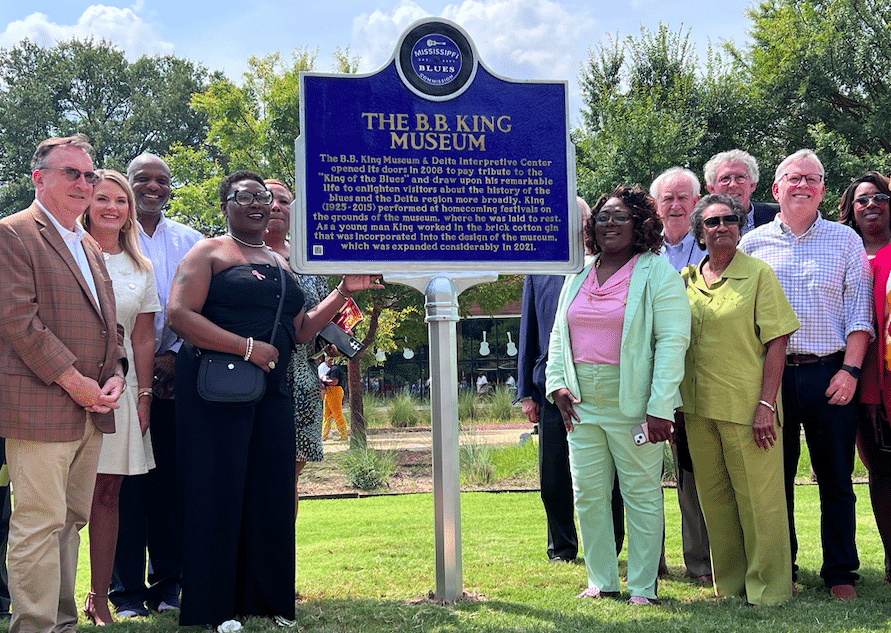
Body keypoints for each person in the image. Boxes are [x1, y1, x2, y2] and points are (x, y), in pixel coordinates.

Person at [168, 170, 379, 628]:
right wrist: (243, 347)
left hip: (272, 390)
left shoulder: (283, 263)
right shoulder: (209, 252)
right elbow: (179, 315)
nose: (259, 204)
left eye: (264, 197)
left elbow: (302, 331)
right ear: (225, 205)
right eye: (245, 197)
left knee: (271, 493)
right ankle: (214, 606)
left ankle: (268, 600)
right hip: (216, 388)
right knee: (217, 491)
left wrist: (343, 290)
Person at [0, 134, 127, 633]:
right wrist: (77, 383)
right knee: (37, 523)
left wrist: (116, 372)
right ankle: (33, 626)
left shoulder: (88, 243)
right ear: (39, 178)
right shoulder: (12, 234)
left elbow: (109, 323)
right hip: (40, 407)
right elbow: (19, 322)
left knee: (71, 521)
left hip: (92, 407)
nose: (83, 183)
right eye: (70, 172)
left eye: (89, 174)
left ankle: (62, 623)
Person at [546, 185, 690, 605]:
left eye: (619, 217)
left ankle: (643, 587)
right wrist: (557, 383)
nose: (608, 224)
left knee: (641, 494)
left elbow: (672, 341)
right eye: (602, 217)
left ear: (640, 224)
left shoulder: (656, 272)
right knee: (588, 494)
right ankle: (602, 581)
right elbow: (559, 334)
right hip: (581, 403)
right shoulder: (579, 271)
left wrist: (661, 406)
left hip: (635, 403)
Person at [740, 149, 873, 600]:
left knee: (836, 479)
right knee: (774, 482)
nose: (803, 184)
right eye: (793, 177)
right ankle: (784, 568)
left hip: (830, 374)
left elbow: (860, 314)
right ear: (776, 189)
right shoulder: (751, 243)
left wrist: (851, 370)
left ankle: (840, 574)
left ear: (821, 189)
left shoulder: (845, 241)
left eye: (812, 178)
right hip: (770, 381)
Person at [680, 193, 799, 605]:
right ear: (699, 232)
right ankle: (730, 586)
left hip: (750, 410)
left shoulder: (759, 274)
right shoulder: (686, 280)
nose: (722, 227)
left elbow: (778, 340)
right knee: (715, 503)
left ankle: (768, 590)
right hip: (697, 410)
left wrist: (767, 404)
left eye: (730, 219)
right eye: (712, 222)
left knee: (761, 506)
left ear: (741, 225)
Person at [111, 153, 202, 617]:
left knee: (169, 485)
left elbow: (204, 308)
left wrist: (173, 357)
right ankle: (124, 593)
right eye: (142, 179)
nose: (152, 186)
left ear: (170, 187)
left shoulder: (191, 241)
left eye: (161, 180)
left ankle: (168, 586)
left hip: (175, 379)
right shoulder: (103, 236)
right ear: (127, 184)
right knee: (124, 487)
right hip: (116, 380)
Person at [81, 169, 161, 624]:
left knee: (108, 492)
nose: (113, 208)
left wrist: (144, 396)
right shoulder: (70, 253)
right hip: (67, 387)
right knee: (65, 498)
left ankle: (97, 596)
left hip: (122, 390)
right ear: (87, 204)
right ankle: (51, 598)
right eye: (103, 199)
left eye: (121, 201)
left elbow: (144, 339)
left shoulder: (141, 268)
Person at [650, 167, 711, 582]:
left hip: (695, 381)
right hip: (644, 379)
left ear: (696, 202)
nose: (675, 206)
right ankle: (650, 563)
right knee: (643, 473)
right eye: (667, 199)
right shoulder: (639, 254)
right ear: (655, 207)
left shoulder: (712, 250)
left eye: (683, 198)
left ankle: (701, 563)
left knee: (693, 475)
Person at [838, 172, 891, 583]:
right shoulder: (844, 252)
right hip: (858, 381)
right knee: (880, 471)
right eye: (862, 200)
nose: (871, 204)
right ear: (850, 209)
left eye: (879, 196)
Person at [264, 179, 328, 513]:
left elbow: (315, 327)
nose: (276, 206)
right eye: (268, 198)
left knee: (288, 480)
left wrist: (332, 341)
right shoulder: (230, 257)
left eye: (284, 201)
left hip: (300, 384)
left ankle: (280, 556)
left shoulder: (310, 261)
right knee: (253, 478)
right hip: (248, 381)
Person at [704, 149, 778, 234]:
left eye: (740, 177)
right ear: (711, 188)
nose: (733, 184)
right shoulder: (700, 224)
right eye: (725, 178)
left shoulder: (777, 216)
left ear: (752, 185)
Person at [321, 351, 348, 442]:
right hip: (329, 393)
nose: (325, 361)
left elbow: (334, 382)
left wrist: (324, 379)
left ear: (330, 359)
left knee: (337, 414)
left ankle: (343, 435)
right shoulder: (331, 369)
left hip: (334, 391)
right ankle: (324, 435)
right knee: (326, 415)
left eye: (326, 359)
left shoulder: (335, 369)